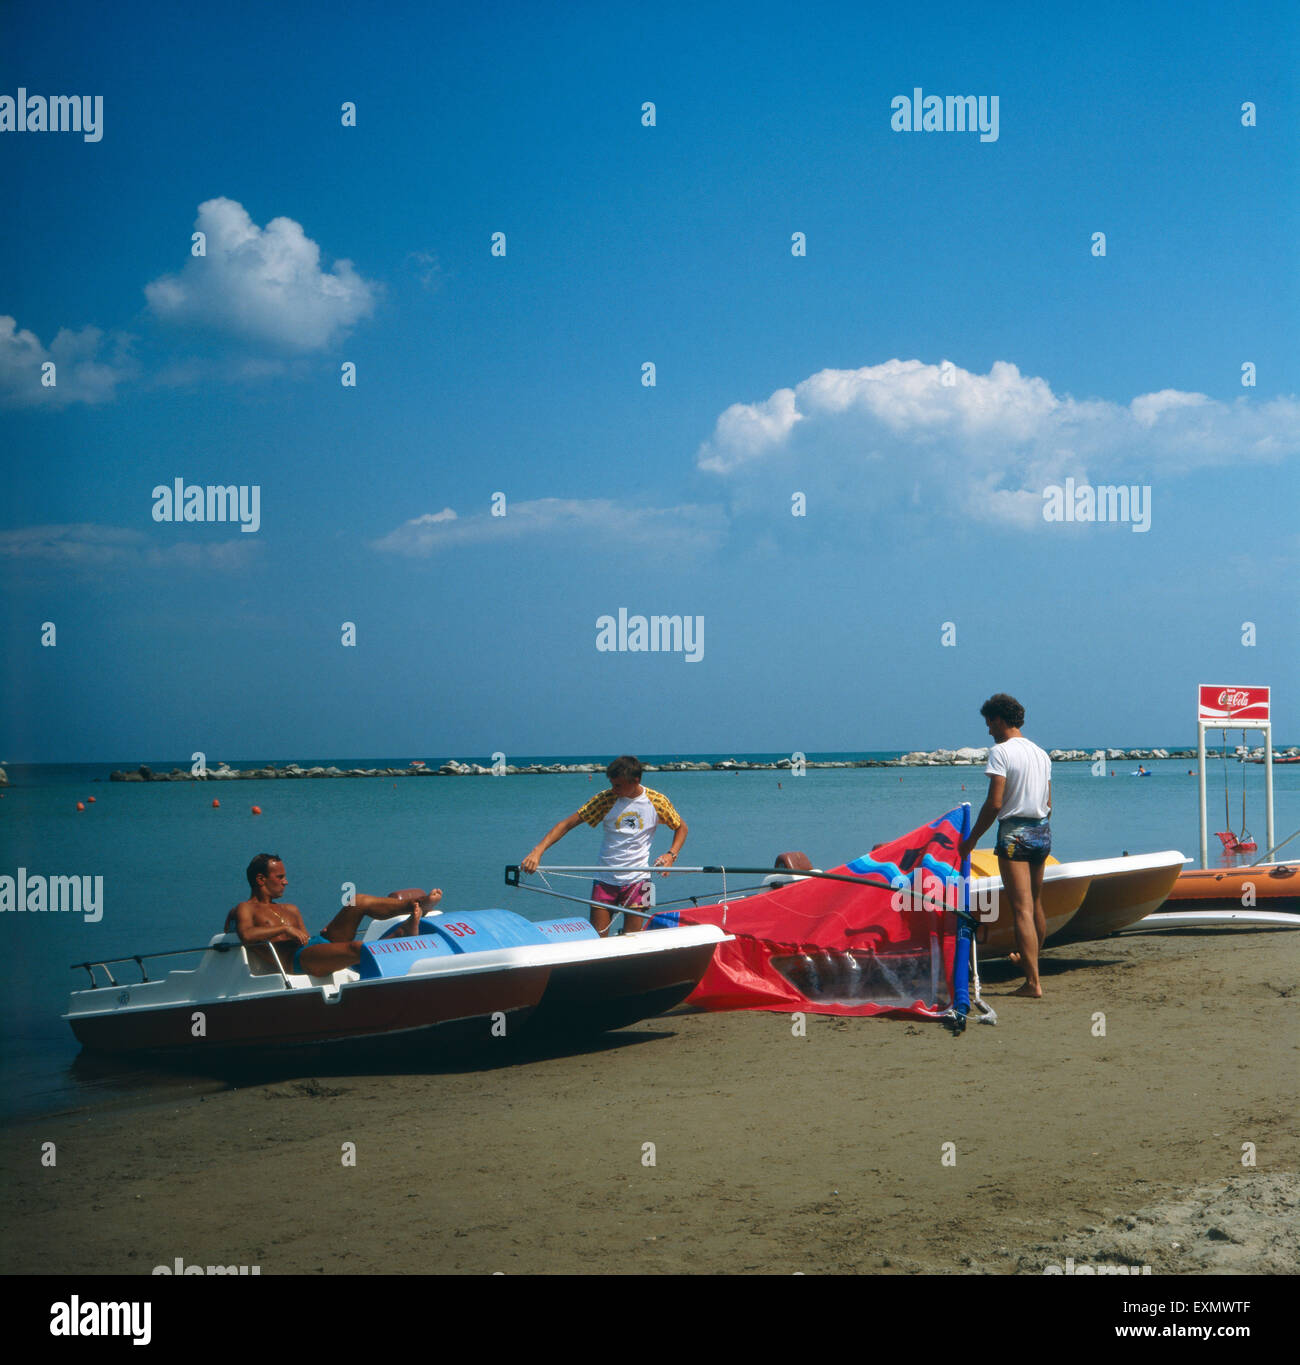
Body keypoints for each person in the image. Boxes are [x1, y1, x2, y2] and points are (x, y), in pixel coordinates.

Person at [520, 756, 687, 936]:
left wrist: (671, 855)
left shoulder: (657, 801)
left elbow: (681, 828)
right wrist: (537, 851)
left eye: (618, 786)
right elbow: (565, 824)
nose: (613, 790)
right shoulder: (605, 800)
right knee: (598, 937)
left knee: (635, 938)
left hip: (640, 879)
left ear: (635, 781)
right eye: (612, 784)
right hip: (605, 878)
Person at [957, 694, 1052, 998]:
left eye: (988, 724)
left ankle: (1033, 983)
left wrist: (971, 840)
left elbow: (994, 803)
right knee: (1036, 904)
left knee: (1020, 908)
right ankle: (1032, 965)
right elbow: (1048, 803)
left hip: (1014, 834)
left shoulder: (1001, 753)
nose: (988, 731)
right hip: (1042, 830)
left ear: (999, 719)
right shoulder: (1041, 754)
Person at [227, 854, 440, 976]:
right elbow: (246, 935)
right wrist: (284, 929)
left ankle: (417, 905)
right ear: (261, 879)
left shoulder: (290, 908)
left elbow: (306, 938)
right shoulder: (246, 908)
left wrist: (327, 933)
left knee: (357, 900)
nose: (286, 881)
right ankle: (400, 939)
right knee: (357, 948)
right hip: (296, 960)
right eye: (280, 877)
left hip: (316, 946)